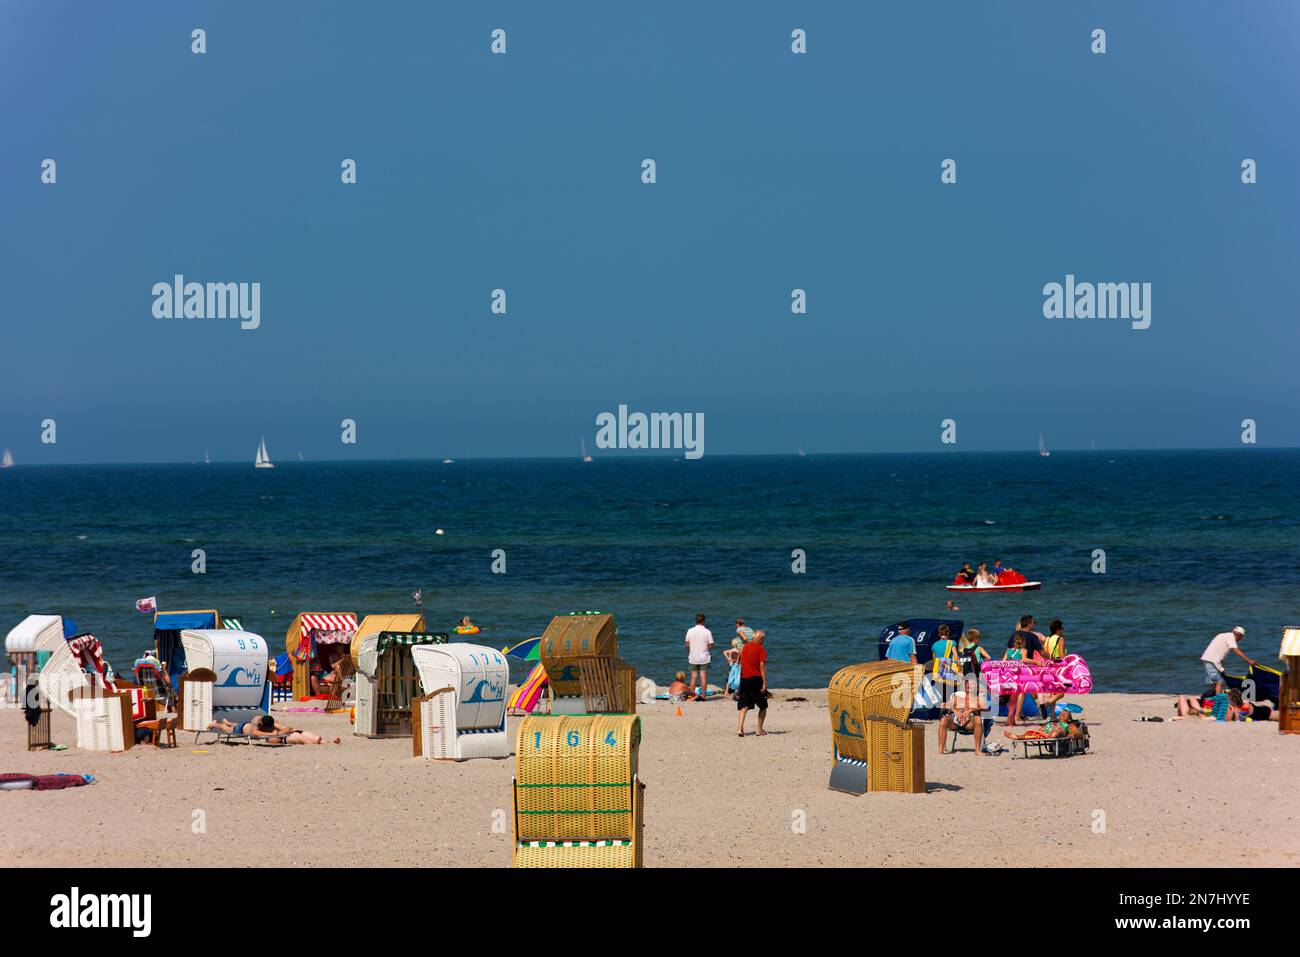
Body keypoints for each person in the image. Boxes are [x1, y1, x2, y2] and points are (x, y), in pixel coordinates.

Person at [208, 714, 340, 745]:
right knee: (226, 728)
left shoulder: (271, 722)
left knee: (303, 733)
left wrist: (290, 730)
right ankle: (216, 724)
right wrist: (280, 732)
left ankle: (327, 741)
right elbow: (257, 734)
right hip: (243, 729)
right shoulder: (253, 727)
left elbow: (284, 728)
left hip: (251, 727)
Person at [1200, 626, 1254, 695]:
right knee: (1220, 682)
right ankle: (1218, 701)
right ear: (1239, 635)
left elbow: (1219, 652)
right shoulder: (1231, 637)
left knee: (1214, 684)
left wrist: (1222, 669)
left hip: (1208, 660)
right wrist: (1249, 661)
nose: (1239, 640)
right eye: (1241, 638)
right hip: (1212, 661)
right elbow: (1237, 651)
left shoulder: (1223, 635)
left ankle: (1212, 700)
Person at [937, 688, 988, 755]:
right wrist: (955, 711)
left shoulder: (979, 698)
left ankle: (977, 751)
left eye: (971, 684)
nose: (969, 686)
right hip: (955, 722)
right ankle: (941, 750)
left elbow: (985, 708)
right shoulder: (957, 697)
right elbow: (943, 705)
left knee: (978, 719)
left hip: (970, 723)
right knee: (943, 720)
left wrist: (971, 710)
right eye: (967, 683)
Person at [736, 630, 768, 736]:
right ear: (760, 639)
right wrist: (764, 682)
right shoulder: (761, 649)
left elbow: (738, 661)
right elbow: (762, 666)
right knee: (763, 706)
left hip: (744, 679)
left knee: (744, 706)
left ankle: (740, 729)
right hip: (756, 679)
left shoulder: (744, 647)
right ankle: (759, 730)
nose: (763, 641)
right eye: (763, 639)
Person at [684, 613, 714, 702]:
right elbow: (711, 644)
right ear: (704, 621)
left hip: (693, 656)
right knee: (703, 677)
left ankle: (691, 696)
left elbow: (687, 644)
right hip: (704, 657)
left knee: (693, 677)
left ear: (696, 621)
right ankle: (704, 696)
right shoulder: (707, 631)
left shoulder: (690, 630)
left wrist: (692, 647)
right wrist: (708, 646)